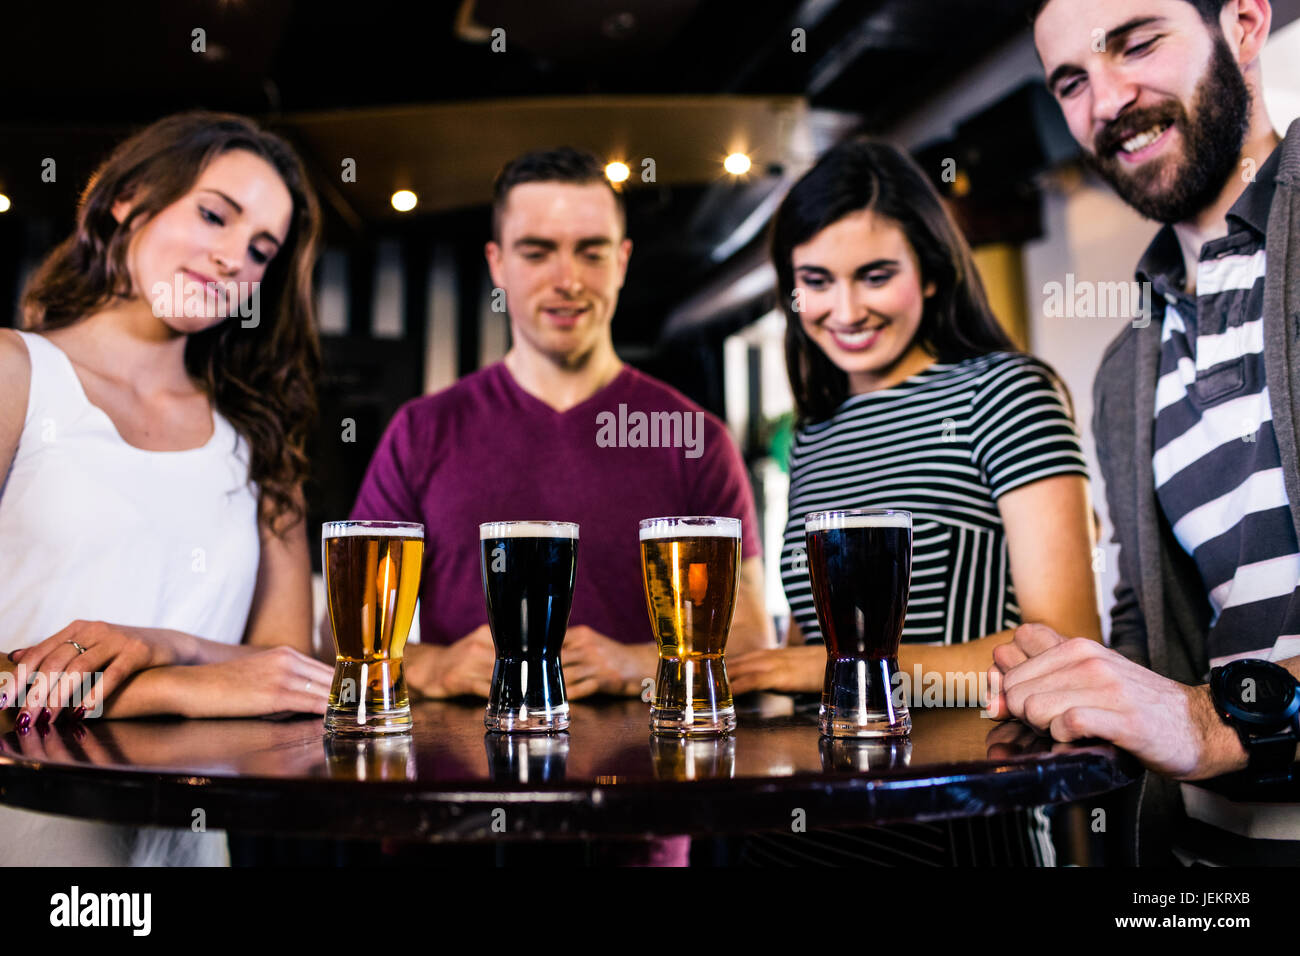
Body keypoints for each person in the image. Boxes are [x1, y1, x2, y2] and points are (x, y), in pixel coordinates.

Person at [727, 137, 1102, 864]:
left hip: (962, 824)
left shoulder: (1005, 392)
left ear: (930, 273)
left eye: (875, 276)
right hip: (813, 818)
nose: (846, 309)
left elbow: (1069, 653)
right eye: (816, 281)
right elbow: (814, 638)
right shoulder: (812, 434)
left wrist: (829, 668)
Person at [998, 0, 1300, 864]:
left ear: (1243, 23)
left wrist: (1215, 719)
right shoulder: (1126, 364)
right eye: (1072, 82)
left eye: (1137, 44)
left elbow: (1196, 714)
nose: (1108, 98)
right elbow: (1154, 629)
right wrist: (1078, 673)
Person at [0, 111, 334, 865]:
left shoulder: (261, 442)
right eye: (214, 215)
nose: (231, 261)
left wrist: (164, 644)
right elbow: (239, 680)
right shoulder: (16, 376)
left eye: (260, 251)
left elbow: (282, 678)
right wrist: (182, 684)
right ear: (130, 198)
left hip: (190, 848)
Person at [347, 147, 775, 706]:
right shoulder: (420, 431)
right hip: (464, 781)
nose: (567, 279)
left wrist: (641, 664)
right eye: (537, 252)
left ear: (622, 262)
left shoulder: (694, 437)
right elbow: (347, 630)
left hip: (647, 782)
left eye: (590, 252)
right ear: (498, 264)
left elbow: (751, 635)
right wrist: (434, 666)